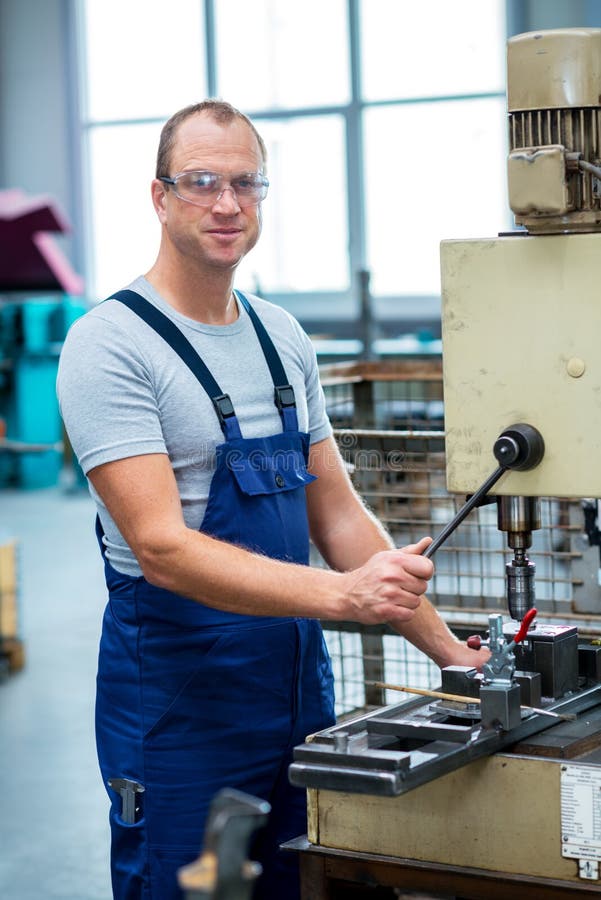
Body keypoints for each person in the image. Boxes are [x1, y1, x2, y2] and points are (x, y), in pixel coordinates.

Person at [57, 99, 488, 900]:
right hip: (179, 709)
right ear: (159, 197)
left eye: (245, 183)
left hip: (296, 693)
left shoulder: (280, 335)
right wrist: (343, 595)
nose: (226, 204)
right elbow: (161, 548)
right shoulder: (109, 345)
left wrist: (452, 657)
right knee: (190, 888)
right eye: (201, 182)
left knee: (303, 880)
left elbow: (339, 516)